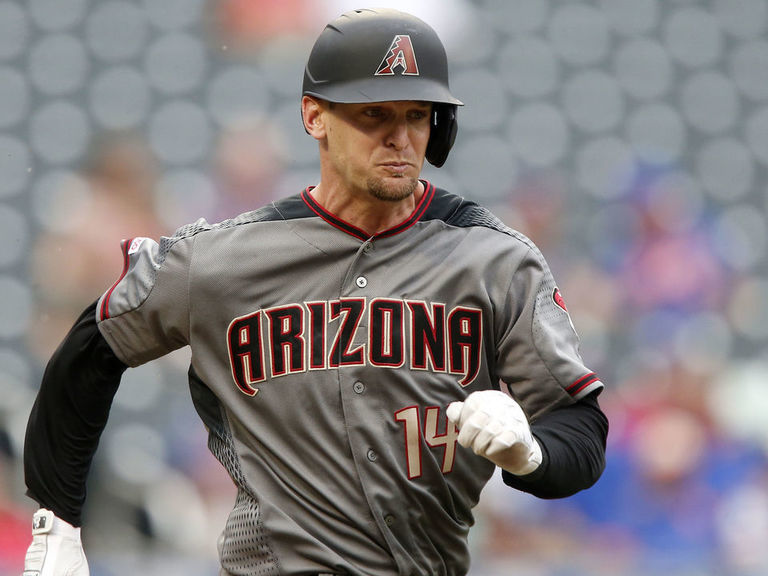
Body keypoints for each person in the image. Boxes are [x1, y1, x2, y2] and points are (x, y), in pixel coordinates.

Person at [22, 8, 608, 576]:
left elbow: (580, 430)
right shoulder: (221, 260)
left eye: (417, 115)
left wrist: (529, 452)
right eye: (374, 114)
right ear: (315, 116)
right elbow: (90, 350)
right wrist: (59, 523)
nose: (400, 138)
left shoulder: (495, 261)